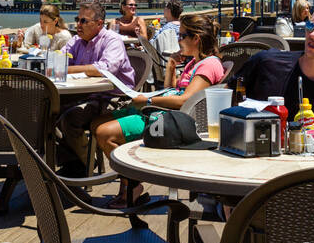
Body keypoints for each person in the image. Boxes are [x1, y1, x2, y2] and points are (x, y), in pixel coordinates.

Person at [91, 13, 225, 206]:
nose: (178, 40)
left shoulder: (208, 65)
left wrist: (148, 100)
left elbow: (185, 101)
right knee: (97, 122)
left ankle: (132, 185)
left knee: (104, 133)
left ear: (196, 38)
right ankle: (128, 182)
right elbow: (174, 90)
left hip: (169, 120)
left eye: (181, 36)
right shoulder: (195, 62)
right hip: (161, 111)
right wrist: (171, 67)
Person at [64, 0, 136, 85]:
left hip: (112, 95)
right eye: (77, 20)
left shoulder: (112, 40)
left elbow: (105, 69)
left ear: (99, 24)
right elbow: (59, 58)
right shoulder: (76, 40)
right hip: (84, 90)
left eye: (83, 21)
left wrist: (66, 70)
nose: (78, 24)